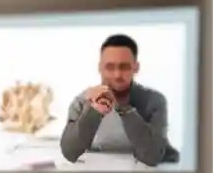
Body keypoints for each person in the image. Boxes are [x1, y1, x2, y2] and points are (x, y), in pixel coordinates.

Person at [59, 33, 176, 166]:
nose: (117, 75)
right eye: (110, 67)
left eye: (124, 67)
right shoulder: (82, 101)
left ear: (136, 67)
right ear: (100, 68)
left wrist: (124, 109)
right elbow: (69, 153)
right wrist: (93, 112)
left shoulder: (154, 101)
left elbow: (153, 156)